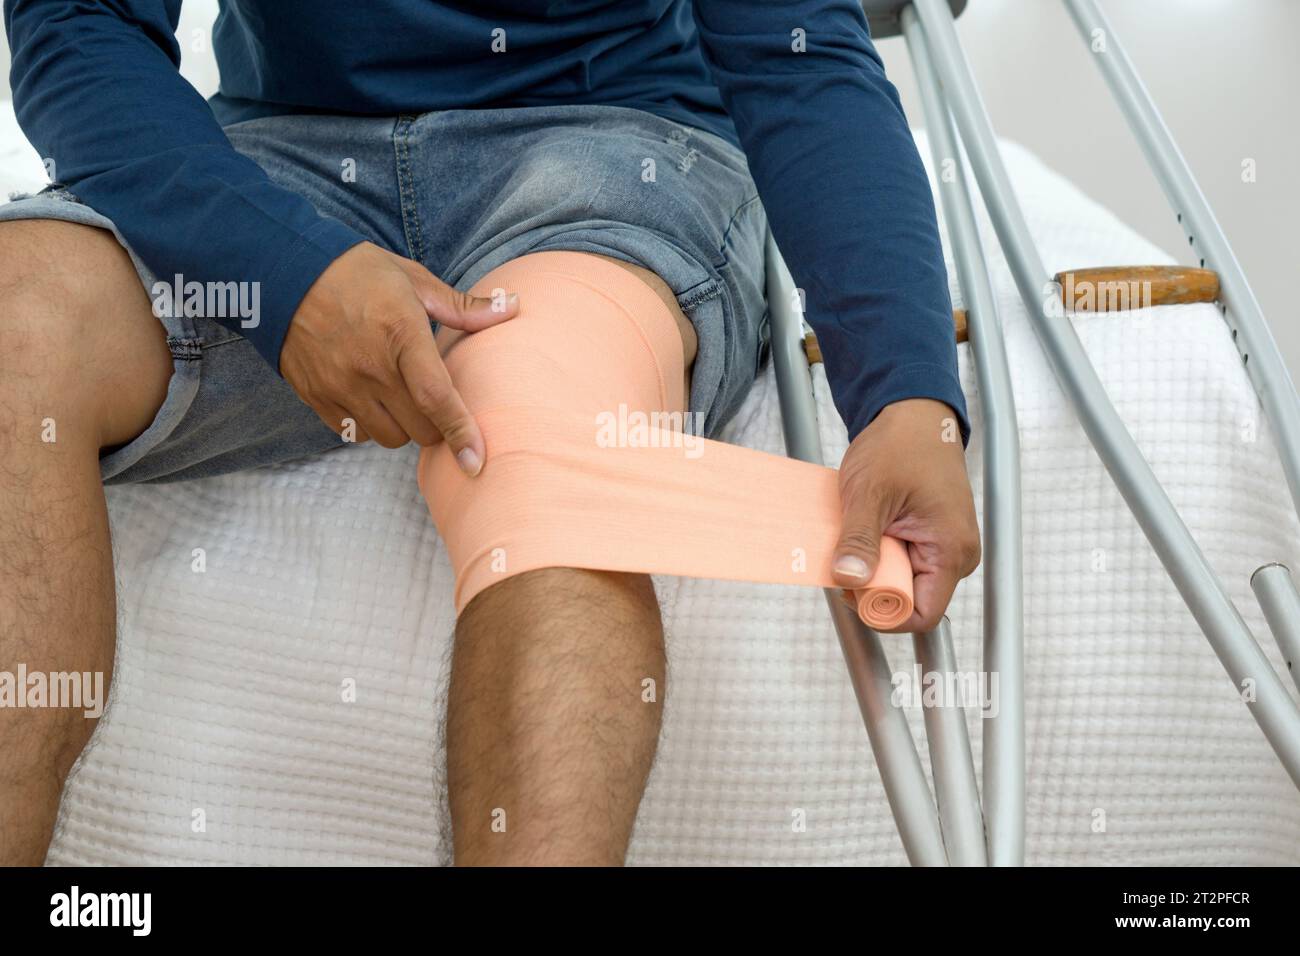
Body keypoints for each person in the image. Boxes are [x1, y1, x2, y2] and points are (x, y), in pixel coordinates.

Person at [0, 0, 979, 865]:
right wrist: (280, 269)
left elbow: (794, 55)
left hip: (612, 141)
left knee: (545, 445)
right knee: (15, 321)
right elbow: (78, 18)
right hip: (289, 150)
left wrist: (905, 396)